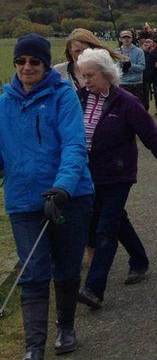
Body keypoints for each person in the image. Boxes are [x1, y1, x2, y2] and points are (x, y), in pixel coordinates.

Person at [0, 34, 94, 358]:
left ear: (43, 64)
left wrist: (64, 186)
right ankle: (34, 346)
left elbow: (74, 145)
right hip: (24, 200)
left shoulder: (63, 97)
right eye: (22, 61)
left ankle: (65, 326)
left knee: (67, 269)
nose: (28, 67)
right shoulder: (3, 103)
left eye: (35, 62)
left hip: (69, 196)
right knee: (33, 272)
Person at [74, 48, 157, 309]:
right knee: (117, 219)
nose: (86, 81)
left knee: (105, 228)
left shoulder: (126, 102)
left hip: (118, 175)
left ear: (107, 74)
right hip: (88, 175)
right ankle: (139, 260)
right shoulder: (80, 98)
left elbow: (152, 136)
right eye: (83, 76)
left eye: (91, 75)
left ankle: (93, 289)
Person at [54, 28, 125, 91]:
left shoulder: (105, 70)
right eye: (77, 51)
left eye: (86, 50)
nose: (82, 55)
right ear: (70, 50)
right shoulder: (58, 71)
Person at [116, 29, 148, 109]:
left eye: (128, 37)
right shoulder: (117, 52)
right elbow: (115, 68)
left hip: (136, 83)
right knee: (123, 106)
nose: (126, 39)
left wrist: (130, 65)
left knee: (137, 107)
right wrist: (123, 68)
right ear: (120, 39)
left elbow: (142, 67)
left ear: (132, 38)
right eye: (124, 37)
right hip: (123, 83)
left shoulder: (139, 51)